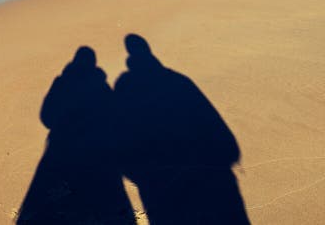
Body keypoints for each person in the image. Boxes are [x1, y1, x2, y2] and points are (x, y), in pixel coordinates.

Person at [114, 34, 250, 224]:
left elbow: (120, 126)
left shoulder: (124, 85)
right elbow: (209, 118)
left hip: (157, 176)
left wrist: (133, 171)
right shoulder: (178, 80)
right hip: (193, 170)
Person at [18, 47, 135, 224]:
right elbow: (114, 116)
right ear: (93, 64)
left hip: (63, 145)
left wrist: (63, 122)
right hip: (97, 147)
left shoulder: (62, 82)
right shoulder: (101, 84)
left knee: (58, 198)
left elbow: (46, 116)